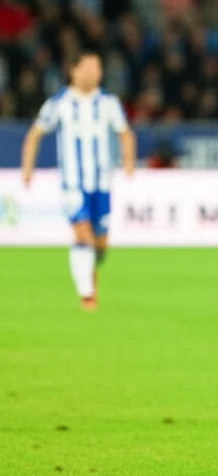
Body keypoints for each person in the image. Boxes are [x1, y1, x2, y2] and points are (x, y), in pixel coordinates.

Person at [21, 51, 136, 311]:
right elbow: (35, 134)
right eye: (90, 67)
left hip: (102, 183)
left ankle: (90, 274)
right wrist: (28, 168)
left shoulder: (108, 102)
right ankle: (87, 296)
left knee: (100, 242)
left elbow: (125, 133)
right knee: (82, 234)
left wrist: (128, 162)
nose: (96, 72)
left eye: (98, 67)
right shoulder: (59, 103)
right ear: (74, 71)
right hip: (73, 183)